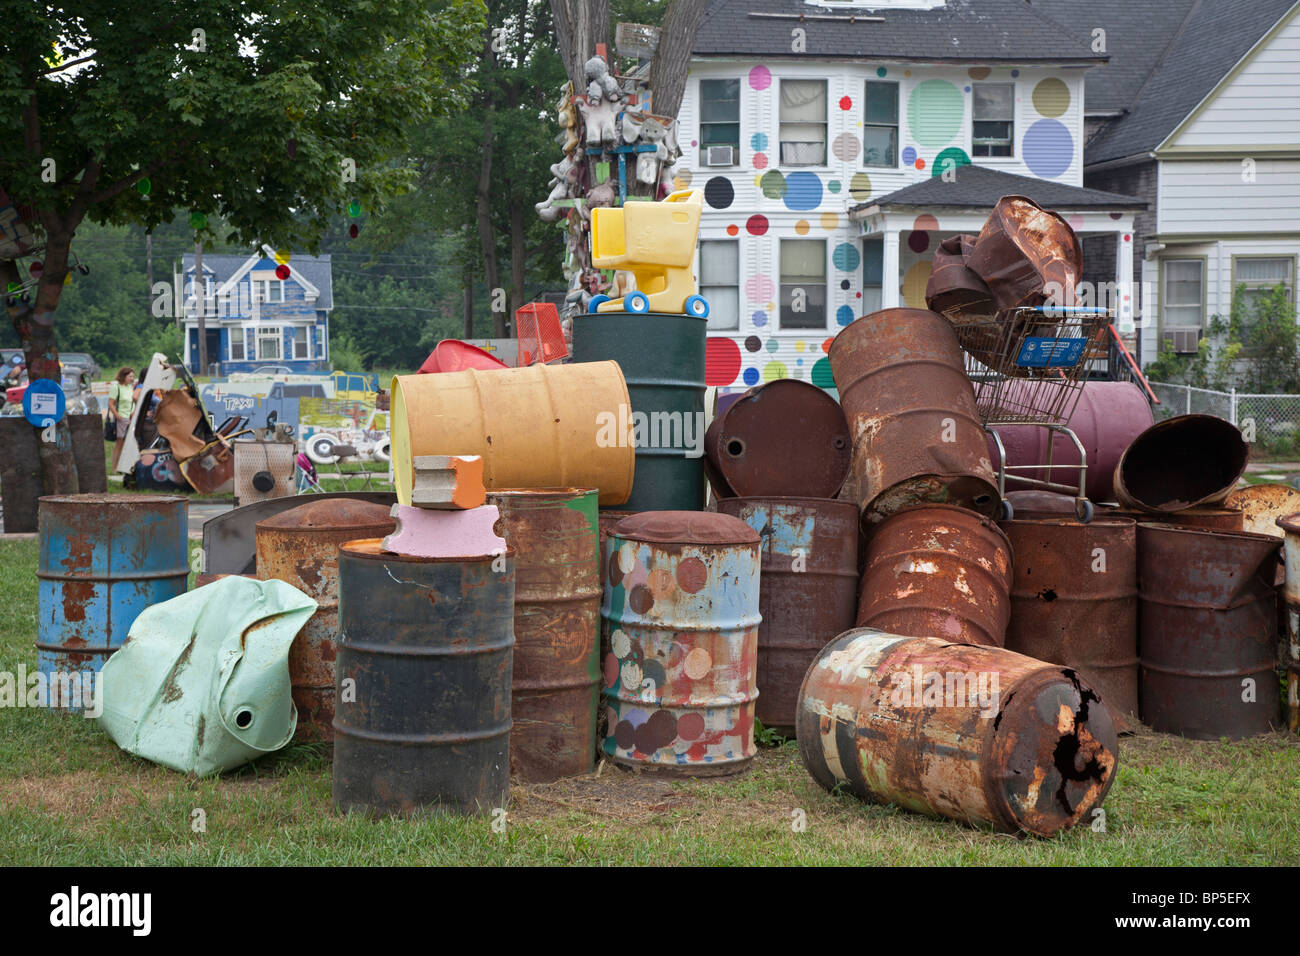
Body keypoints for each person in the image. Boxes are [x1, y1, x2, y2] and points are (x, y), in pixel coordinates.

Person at [107, 367, 136, 471]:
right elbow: (110, 403)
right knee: (120, 443)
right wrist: (117, 415)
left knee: (128, 444)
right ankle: (114, 467)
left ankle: (123, 466)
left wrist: (133, 412)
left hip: (130, 418)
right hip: (121, 418)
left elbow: (132, 402)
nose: (132, 378)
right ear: (124, 376)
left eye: (133, 376)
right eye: (130, 376)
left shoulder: (130, 387)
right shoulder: (116, 387)